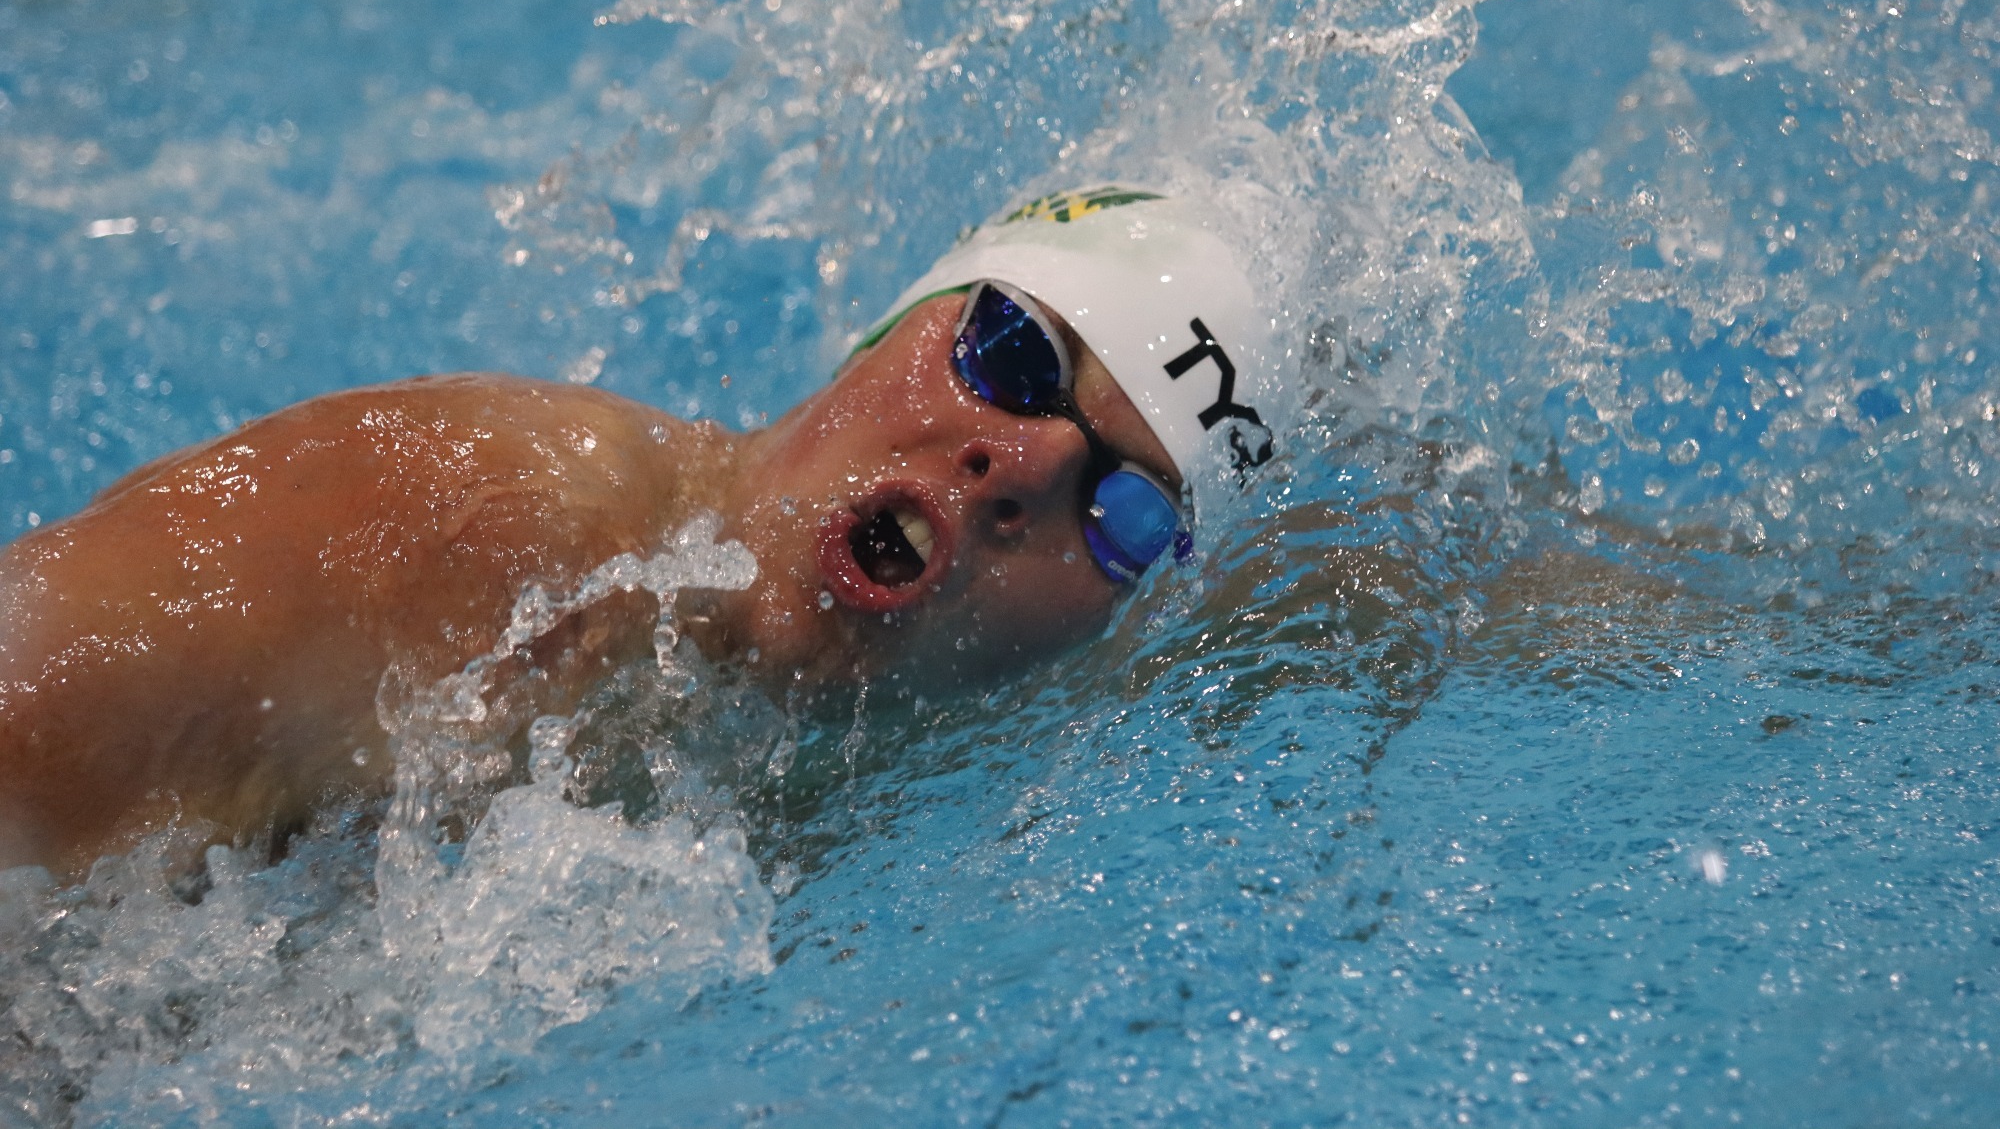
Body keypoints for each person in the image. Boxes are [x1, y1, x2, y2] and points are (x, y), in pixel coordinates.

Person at [0, 186, 1281, 877]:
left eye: (1122, 506)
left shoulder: (969, 741)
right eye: (1011, 351)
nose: (1023, 460)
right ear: (887, 329)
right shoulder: (486, 521)